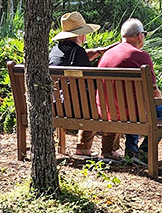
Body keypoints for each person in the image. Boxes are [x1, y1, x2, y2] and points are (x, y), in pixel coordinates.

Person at [98, 18, 162, 160]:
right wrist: (159, 100)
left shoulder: (107, 54)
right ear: (140, 35)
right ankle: (142, 154)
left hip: (107, 111)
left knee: (136, 108)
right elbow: (154, 91)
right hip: (132, 113)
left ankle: (132, 151)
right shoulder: (141, 56)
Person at [49, 11, 117, 157]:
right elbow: (89, 83)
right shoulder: (78, 53)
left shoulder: (55, 51)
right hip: (76, 109)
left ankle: (84, 148)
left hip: (55, 106)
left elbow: (75, 56)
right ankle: (109, 151)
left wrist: (99, 51)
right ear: (81, 34)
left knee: (90, 103)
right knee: (109, 104)